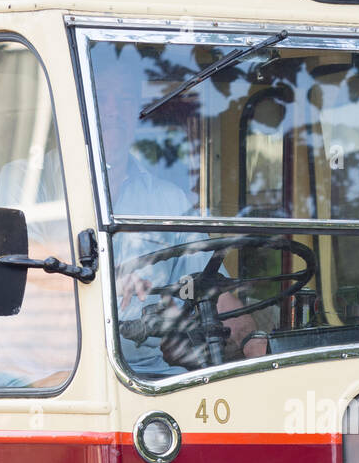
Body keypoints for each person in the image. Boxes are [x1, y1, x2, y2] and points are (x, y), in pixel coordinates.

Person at [90, 42, 263, 374]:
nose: (113, 110)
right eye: (102, 99)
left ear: (135, 113)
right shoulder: (30, 183)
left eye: (124, 101)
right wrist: (107, 281)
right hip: (55, 377)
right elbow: (33, 270)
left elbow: (210, 287)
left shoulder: (168, 202)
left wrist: (253, 340)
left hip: (143, 372)